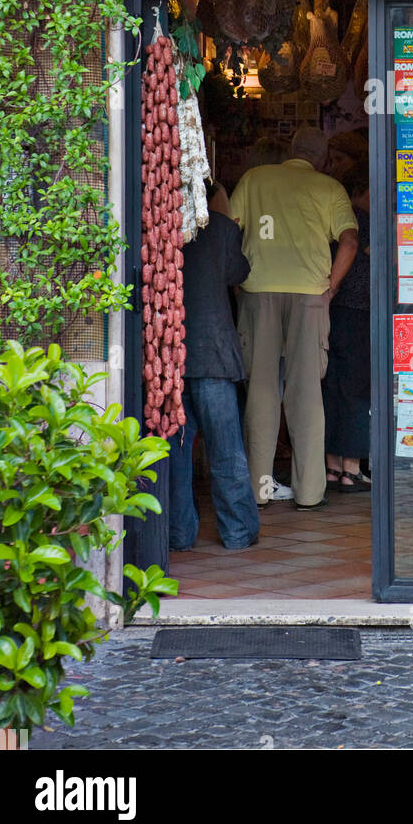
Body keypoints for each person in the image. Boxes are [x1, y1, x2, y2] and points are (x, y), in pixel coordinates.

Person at [231, 126, 359, 510]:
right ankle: (309, 493)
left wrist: (237, 281)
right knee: (306, 396)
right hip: (309, 296)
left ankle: (260, 489)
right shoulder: (329, 188)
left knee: (262, 394)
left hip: (258, 293)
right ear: (321, 159)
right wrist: (331, 288)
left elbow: (227, 228)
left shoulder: (254, 179)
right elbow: (350, 241)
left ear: (290, 150)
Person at [168, 182, 261, 552]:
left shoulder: (162, 227)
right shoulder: (222, 229)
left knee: (175, 452)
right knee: (226, 450)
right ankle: (238, 531)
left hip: (171, 354)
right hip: (214, 355)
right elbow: (238, 273)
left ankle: (178, 534)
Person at [324, 165, 371, 491]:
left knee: (329, 388)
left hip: (331, 313)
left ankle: (330, 466)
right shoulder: (362, 220)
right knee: (356, 391)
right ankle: (351, 469)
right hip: (359, 314)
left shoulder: (332, 219)